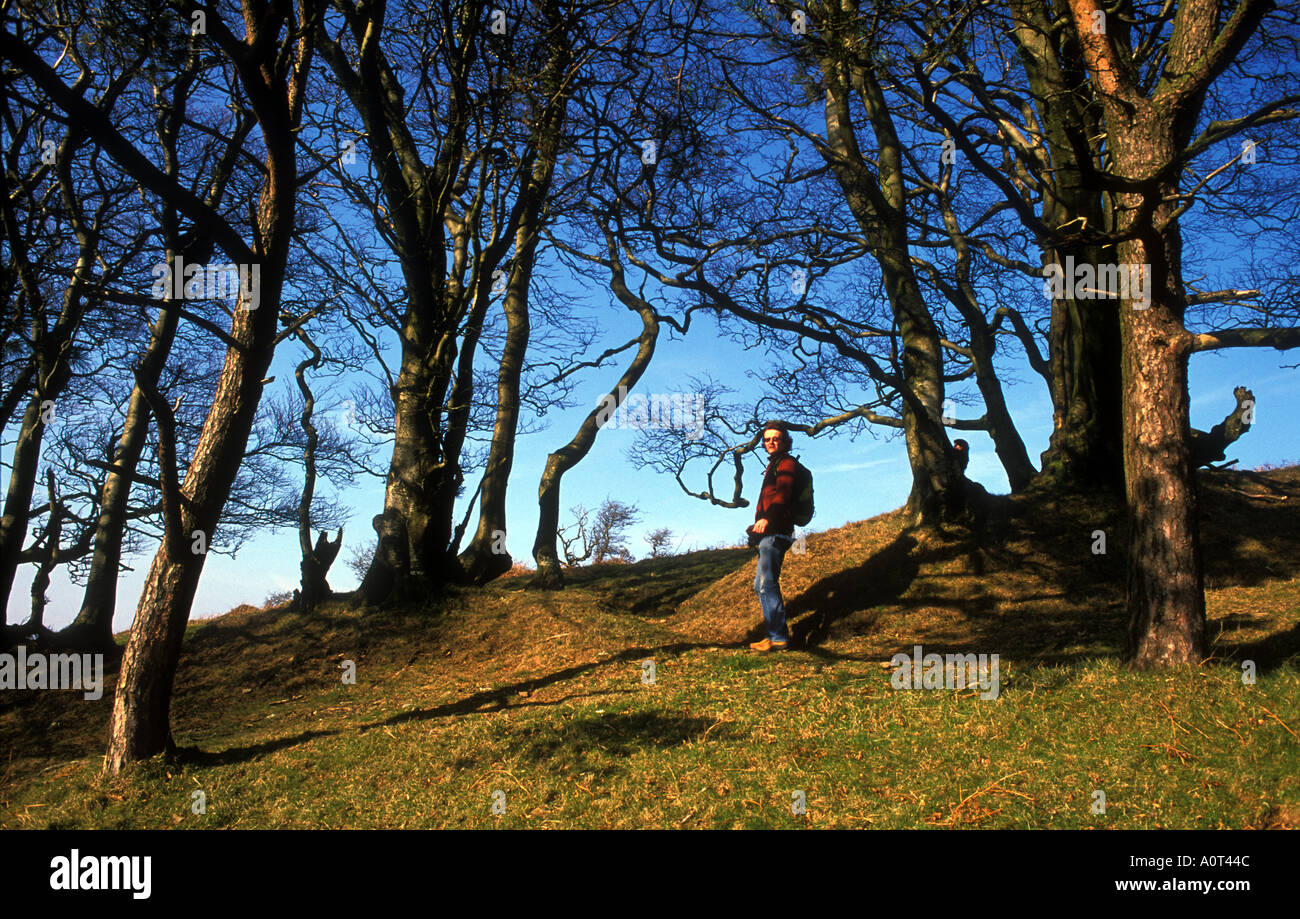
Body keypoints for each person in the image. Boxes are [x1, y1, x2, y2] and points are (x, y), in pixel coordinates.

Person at [745, 420, 798, 652]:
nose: (771, 442)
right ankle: (773, 634)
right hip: (769, 533)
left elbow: (783, 495)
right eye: (767, 439)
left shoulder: (786, 463)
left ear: (785, 441)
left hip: (777, 532)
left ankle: (778, 637)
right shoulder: (775, 464)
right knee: (761, 586)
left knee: (767, 584)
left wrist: (767, 519)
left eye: (776, 438)